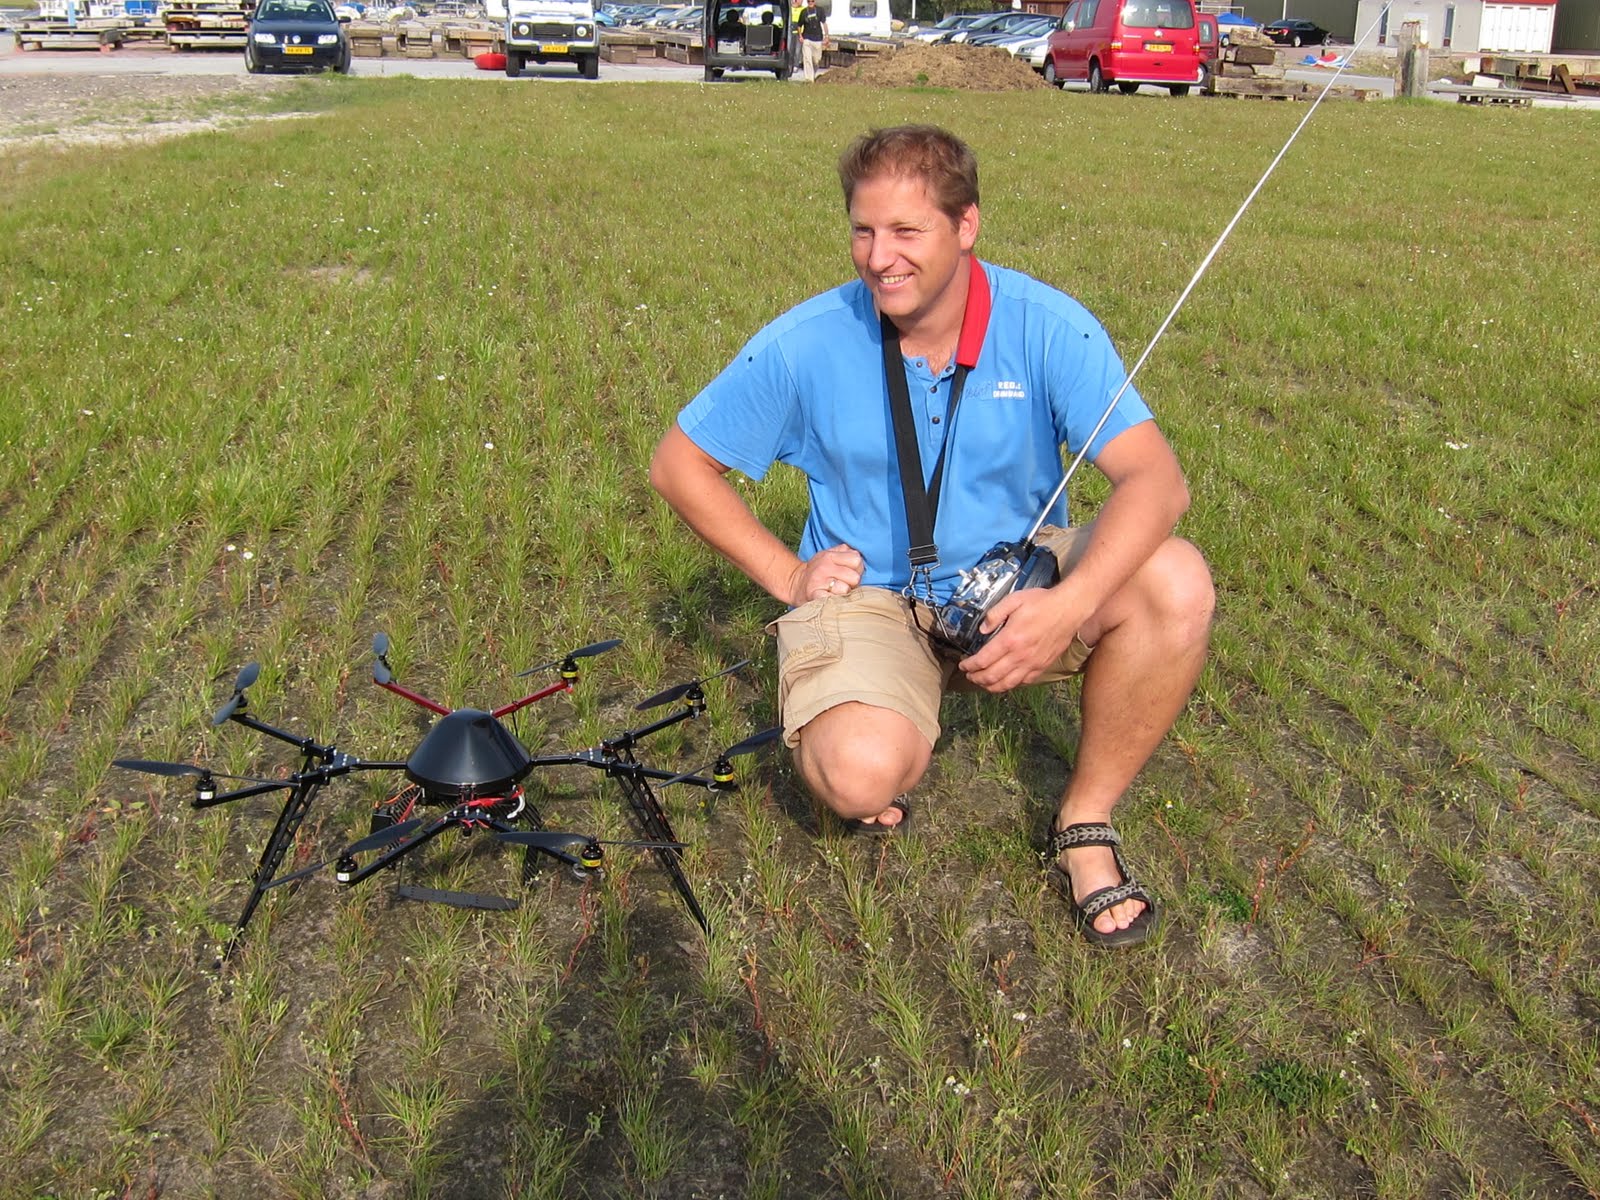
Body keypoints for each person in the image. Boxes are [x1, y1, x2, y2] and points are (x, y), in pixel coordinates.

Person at [649, 126, 1213, 948]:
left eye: (907, 231)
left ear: (967, 226)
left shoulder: (1048, 327)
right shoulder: (809, 341)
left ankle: (1084, 824)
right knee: (856, 772)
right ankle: (884, 722)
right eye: (863, 230)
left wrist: (1069, 607)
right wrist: (785, 571)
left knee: (1177, 580)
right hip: (871, 598)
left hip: (1014, 589)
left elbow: (1159, 483)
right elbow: (678, 464)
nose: (880, 258)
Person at [796, 0, 826, 80]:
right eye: (809, 1)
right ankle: (809, 79)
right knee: (807, 59)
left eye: (812, 1)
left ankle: (813, 74)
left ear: (814, 1)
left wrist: (827, 36)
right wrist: (800, 36)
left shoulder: (820, 10)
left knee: (816, 60)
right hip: (807, 39)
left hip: (818, 39)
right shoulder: (804, 12)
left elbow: (824, 23)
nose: (810, 2)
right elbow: (799, 25)